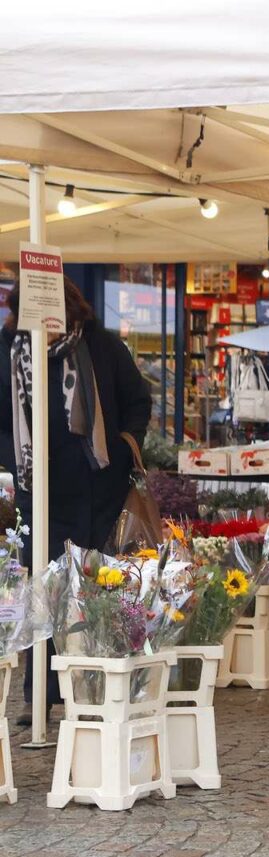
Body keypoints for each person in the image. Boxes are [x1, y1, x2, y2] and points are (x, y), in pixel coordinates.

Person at [1, 278, 151, 723]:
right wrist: (17, 457)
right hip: (41, 493)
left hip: (99, 490)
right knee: (46, 593)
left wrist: (123, 446)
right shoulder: (10, 349)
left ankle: (93, 686)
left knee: (95, 591)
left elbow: (138, 401)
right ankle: (42, 695)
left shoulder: (100, 346)